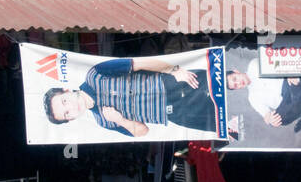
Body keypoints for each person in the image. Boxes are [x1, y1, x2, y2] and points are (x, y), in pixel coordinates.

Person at [43, 56, 219, 136]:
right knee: (224, 121)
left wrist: (174, 70)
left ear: (66, 91)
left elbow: (138, 62)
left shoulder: (95, 74)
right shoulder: (103, 121)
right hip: (178, 115)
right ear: (71, 119)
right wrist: (120, 120)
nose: (71, 108)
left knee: (225, 85)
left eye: (64, 102)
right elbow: (143, 131)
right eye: (67, 114)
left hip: (174, 85)